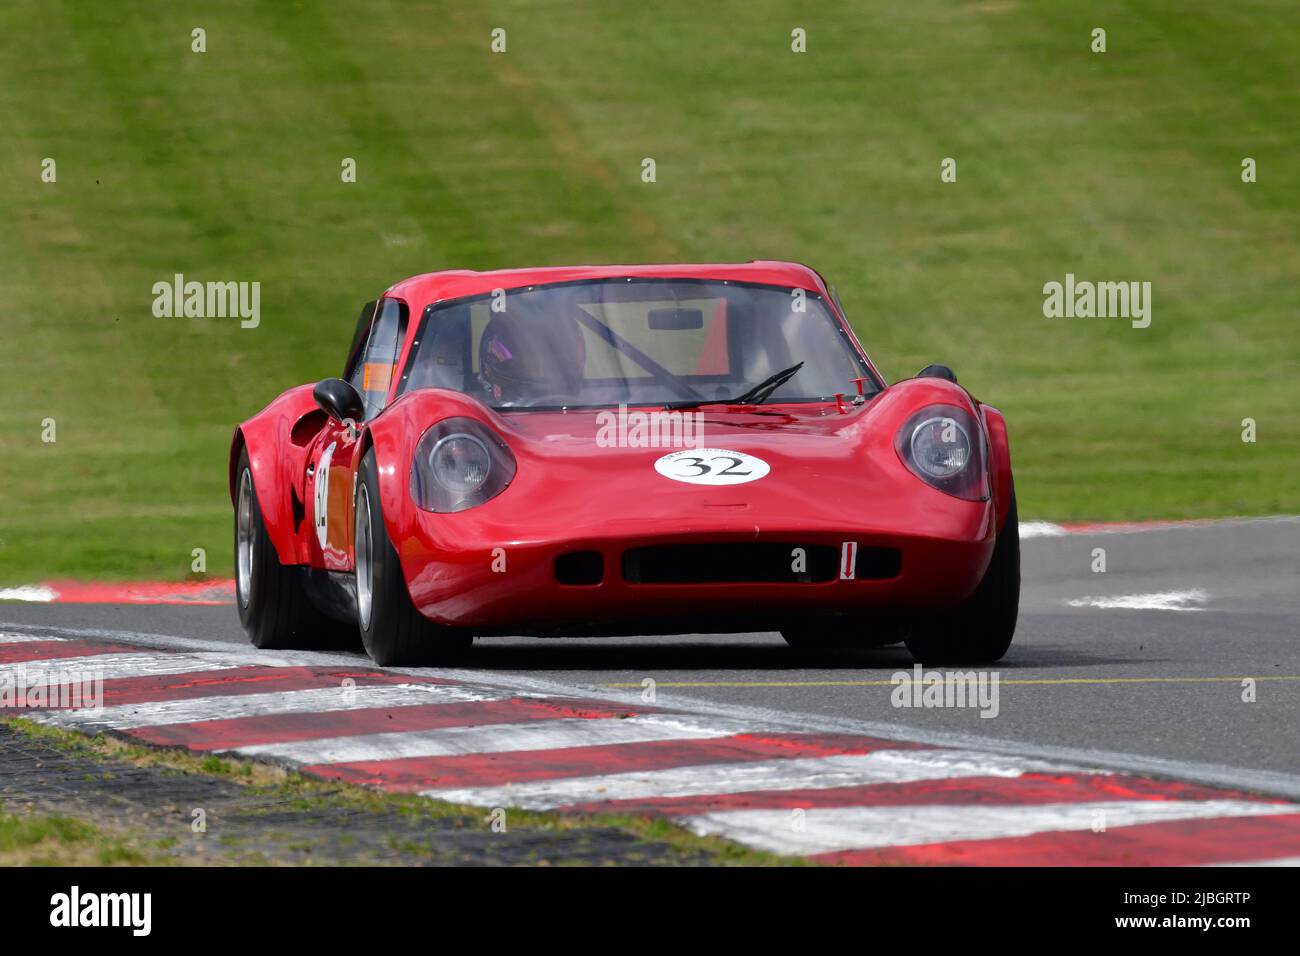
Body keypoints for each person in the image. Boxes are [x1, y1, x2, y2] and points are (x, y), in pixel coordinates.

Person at [478, 301, 586, 405]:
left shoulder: (593, 402)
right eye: (522, 366)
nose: (543, 373)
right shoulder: (478, 414)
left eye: (556, 364)